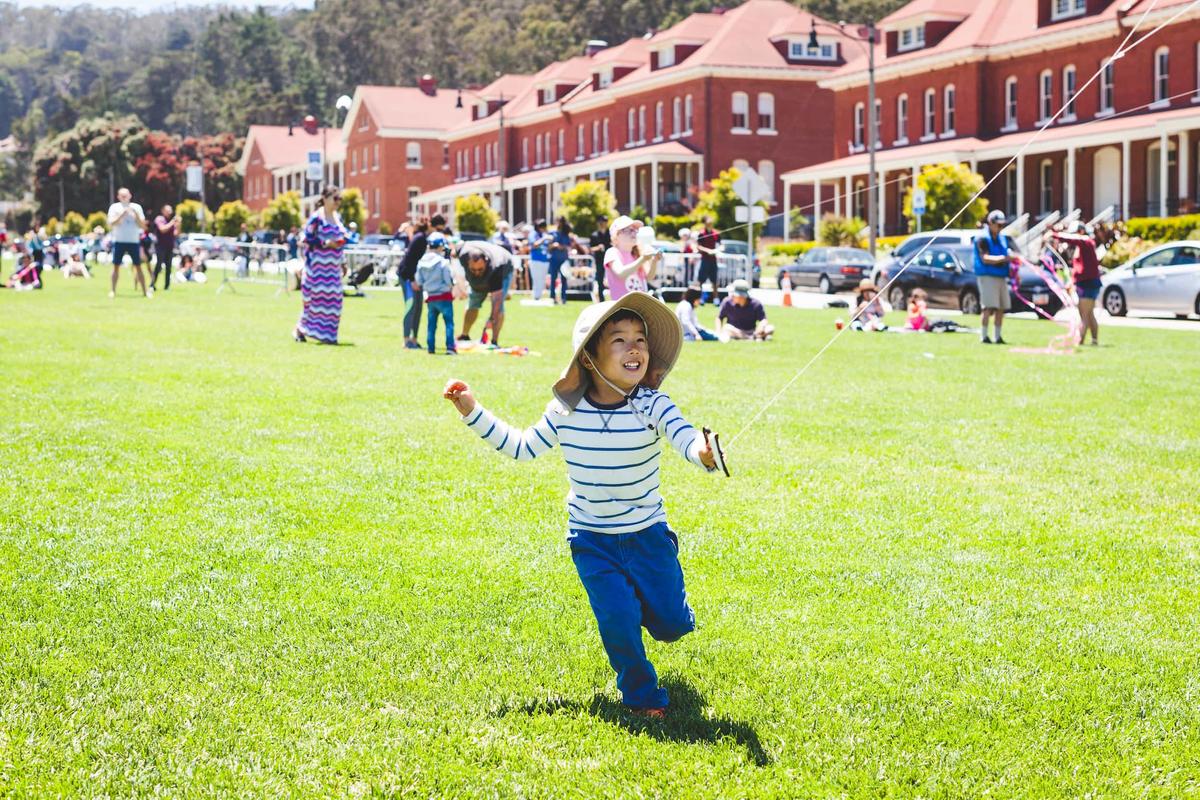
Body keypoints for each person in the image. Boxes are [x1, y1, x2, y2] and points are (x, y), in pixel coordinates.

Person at [443, 292, 719, 716]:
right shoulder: (565, 411)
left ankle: (662, 607)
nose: (635, 349)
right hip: (591, 539)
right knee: (617, 620)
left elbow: (683, 434)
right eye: (620, 340)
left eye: (641, 340)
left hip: (647, 534)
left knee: (671, 625)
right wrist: (471, 410)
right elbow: (522, 447)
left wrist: (702, 451)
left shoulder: (652, 404)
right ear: (589, 358)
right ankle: (641, 696)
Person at [293, 186, 348, 344]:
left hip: (333, 269)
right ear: (325, 198)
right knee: (314, 302)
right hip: (317, 269)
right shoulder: (316, 218)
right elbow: (307, 238)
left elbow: (342, 241)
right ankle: (301, 330)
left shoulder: (338, 218)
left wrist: (343, 262)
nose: (338, 202)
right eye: (335, 198)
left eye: (339, 199)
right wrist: (325, 243)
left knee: (335, 301)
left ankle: (328, 335)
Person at [1049, 222, 1102, 346]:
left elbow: (1074, 239)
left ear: (1081, 231)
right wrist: (1072, 282)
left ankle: (1080, 342)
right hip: (1085, 283)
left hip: (1088, 283)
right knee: (1089, 313)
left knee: (1084, 314)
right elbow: (1078, 268)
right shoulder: (1082, 247)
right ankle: (1094, 340)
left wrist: (1055, 235)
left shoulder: (1086, 241)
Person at [974, 209, 1019, 344]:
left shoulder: (1002, 239)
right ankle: (984, 336)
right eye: (998, 225)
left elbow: (1009, 254)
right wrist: (1005, 258)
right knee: (988, 307)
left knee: (1001, 307)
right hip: (987, 276)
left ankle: (997, 337)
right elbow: (985, 259)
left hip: (1001, 276)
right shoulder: (982, 238)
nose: (1000, 228)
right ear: (990, 223)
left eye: (1002, 225)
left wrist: (1013, 268)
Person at [456, 240, 514, 345]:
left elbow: (497, 301)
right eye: (473, 269)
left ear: (486, 262)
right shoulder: (462, 254)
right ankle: (464, 335)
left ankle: (494, 341)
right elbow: (457, 245)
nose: (477, 273)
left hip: (505, 267)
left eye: (480, 269)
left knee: (498, 307)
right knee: (473, 302)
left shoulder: (497, 266)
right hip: (480, 274)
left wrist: (491, 318)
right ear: (468, 262)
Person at [415, 232, 456, 355]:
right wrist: (451, 286)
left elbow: (419, 281)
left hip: (430, 297)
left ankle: (431, 347)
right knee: (449, 323)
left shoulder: (421, 262)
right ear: (441, 246)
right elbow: (448, 280)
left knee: (431, 324)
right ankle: (450, 347)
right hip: (444, 297)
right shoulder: (443, 262)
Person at [603, 215, 660, 301]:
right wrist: (643, 259)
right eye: (628, 230)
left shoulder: (637, 254)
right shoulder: (612, 252)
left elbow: (649, 277)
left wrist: (654, 261)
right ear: (616, 235)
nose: (634, 233)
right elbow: (621, 273)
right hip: (622, 305)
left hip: (639, 304)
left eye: (635, 230)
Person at [106, 187, 149, 298]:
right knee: (116, 266)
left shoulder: (136, 207)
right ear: (118, 196)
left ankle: (145, 292)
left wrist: (136, 215)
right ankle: (112, 291)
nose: (124, 197)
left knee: (138, 266)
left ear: (130, 195)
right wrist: (123, 214)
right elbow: (111, 223)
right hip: (119, 240)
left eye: (126, 195)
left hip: (134, 241)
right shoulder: (114, 207)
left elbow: (143, 226)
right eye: (122, 195)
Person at [400, 219, 429, 349]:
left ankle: (414, 339)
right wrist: (412, 280)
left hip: (416, 278)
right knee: (411, 308)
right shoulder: (420, 239)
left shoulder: (421, 238)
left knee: (418, 308)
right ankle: (406, 340)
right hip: (408, 277)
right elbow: (410, 260)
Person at [152, 204, 180, 291]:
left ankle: (167, 286)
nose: (169, 212)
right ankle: (152, 284)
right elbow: (162, 229)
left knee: (169, 267)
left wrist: (178, 224)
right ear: (163, 211)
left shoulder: (171, 221)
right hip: (160, 246)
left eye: (170, 210)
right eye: (168, 210)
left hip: (170, 247)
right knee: (158, 265)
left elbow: (176, 234)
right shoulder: (160, 219)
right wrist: (172, 222)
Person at [694, 216, 720, 305]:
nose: (710, 224)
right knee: (701, 280)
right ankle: (700, 298)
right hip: (704, 260)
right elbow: (698, 246)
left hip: (713, 260)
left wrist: (716, 250)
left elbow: (721, 245)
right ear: (705, 223)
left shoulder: (716, 233)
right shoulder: (701, 234)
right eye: (708, 223)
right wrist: (708, 251)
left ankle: (716, 300)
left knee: (714, 281)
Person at [548, 216, 574, 305]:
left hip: (564, 259)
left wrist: (561, 246)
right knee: (553, 279)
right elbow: (548, 247)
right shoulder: (552, 233)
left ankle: (563, 298)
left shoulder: (566, 234)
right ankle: (552, 297)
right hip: (554, 259)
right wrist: (554, 245)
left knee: (564, 279)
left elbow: (569, 246)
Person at [527, 219, 552, 301]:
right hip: (536, 260)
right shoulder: (533, 234)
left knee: (542, 279)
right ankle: (536, 296)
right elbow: (534, 245)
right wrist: (544, 239)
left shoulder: (544, 234)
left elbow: (548, 247)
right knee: (536, 279)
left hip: (545, 260)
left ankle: (539, 296)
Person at [588, 214, 611, 301]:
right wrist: (598, 247)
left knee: (612, 279)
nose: (602, 224)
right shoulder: (594, 235)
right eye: (601, 222)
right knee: (600, 280)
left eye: (604, 222)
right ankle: (601, 300)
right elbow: (590, 249)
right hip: (600, 260)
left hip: (610, 260)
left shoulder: (611, 234)